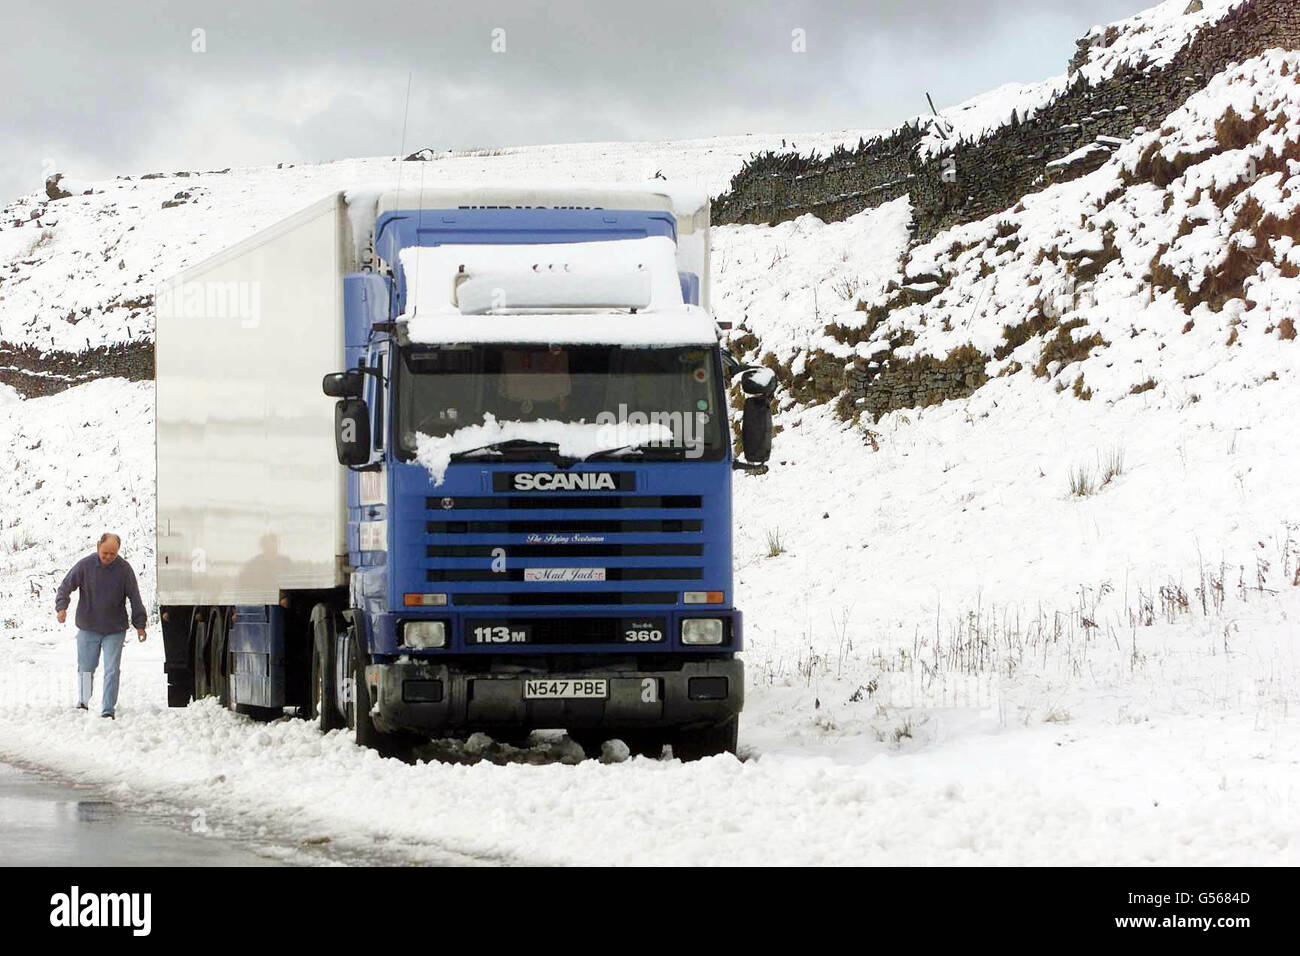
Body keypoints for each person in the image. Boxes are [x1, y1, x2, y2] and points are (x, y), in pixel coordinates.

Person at [54, 533, 148, 718]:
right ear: (98, 546)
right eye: (105, 552)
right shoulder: (85, 565)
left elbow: (135, 598)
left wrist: (140, 625)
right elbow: (66, 586)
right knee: (86, 667)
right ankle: (83, 701)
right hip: (88, 626)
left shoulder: (124, 570)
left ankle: (108, 709)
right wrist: (61, 608)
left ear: (118, 552)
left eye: (112, 554)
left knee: (112, 670)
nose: (108, 557)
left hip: (115, 629)